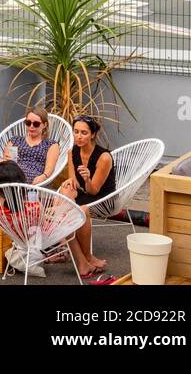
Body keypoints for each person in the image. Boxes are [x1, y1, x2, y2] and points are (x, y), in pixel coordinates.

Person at [59, 114, 118, 282]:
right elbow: (74, 183)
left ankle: (86, 256)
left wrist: (87, 178)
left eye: (84, 133)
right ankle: (83, 260)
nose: (78, 136)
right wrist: (70, 183)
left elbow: (93, 190)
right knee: (65, 191)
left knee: (79, 210)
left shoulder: (104, 157)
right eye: (76, 131)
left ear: (93, 135)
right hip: (83, 193)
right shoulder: (72, 151)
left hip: (102, 197)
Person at [0, 106, 61, 186]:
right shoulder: (15, 140)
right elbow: (6, 161)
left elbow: (50, 167)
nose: (31, 126)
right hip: (12, 173)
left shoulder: (50, 144)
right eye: (28, 123)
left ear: (44, 125)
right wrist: (8, 159)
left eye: (36, 124)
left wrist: (44, 176)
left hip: (32, 178)